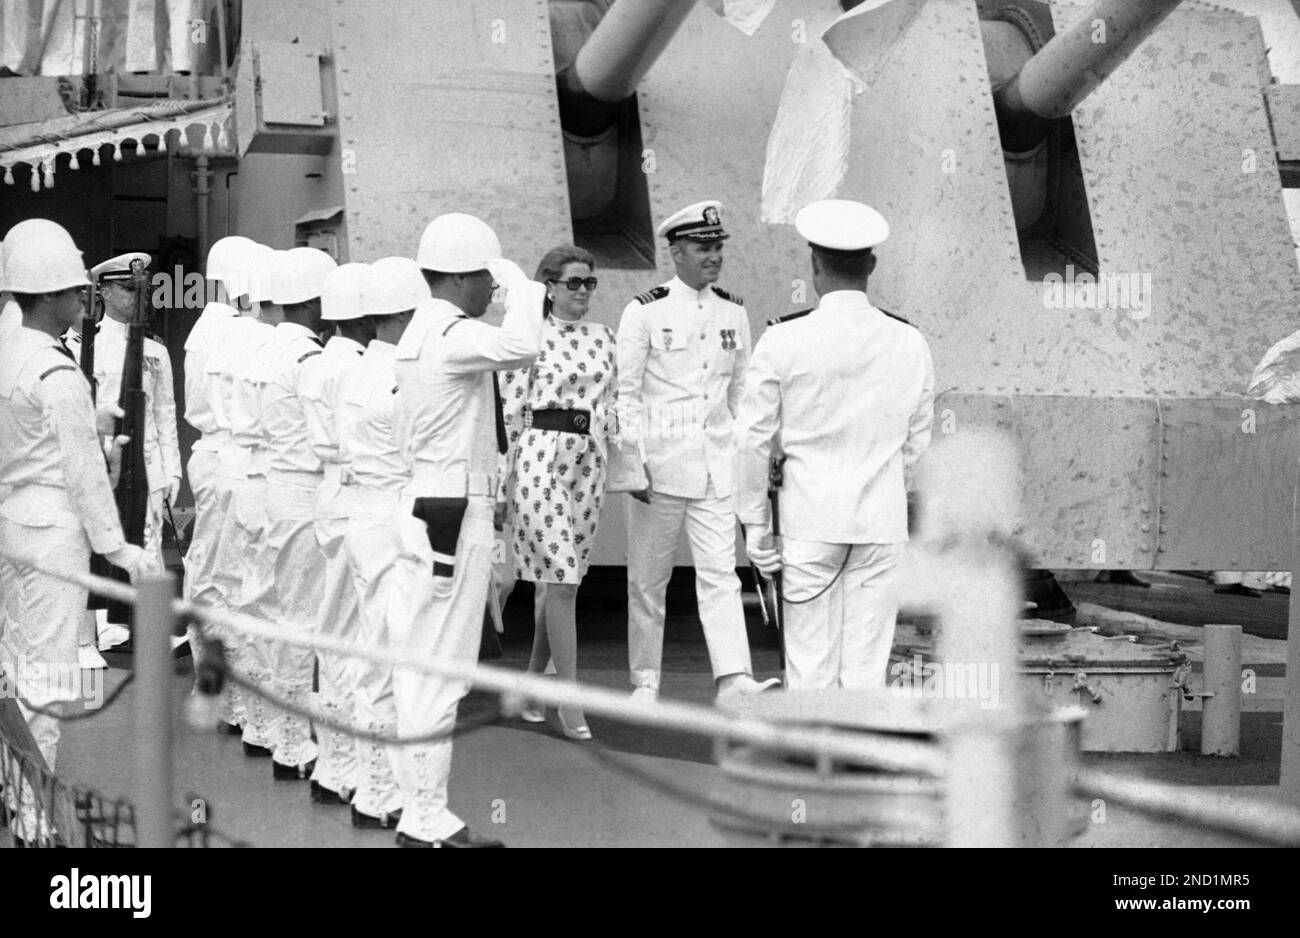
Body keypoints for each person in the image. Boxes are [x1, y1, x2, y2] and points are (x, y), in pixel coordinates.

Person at [733, 199, 934, 690]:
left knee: (809, 663)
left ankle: (810, 758)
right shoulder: (909, 342)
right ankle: (856, 758)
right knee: (866, 667)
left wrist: (756, 529)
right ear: (871, 265)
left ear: (814, 264)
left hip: (808, 522)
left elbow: (751, 441)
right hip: (879, 524)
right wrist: (883, 480)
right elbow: (918, 443)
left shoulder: (783, 339)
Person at [390, 212, 545, 847]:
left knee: (420, 666)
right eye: (485, 276)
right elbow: (526, 345)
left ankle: (419, 811)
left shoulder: (423, 333)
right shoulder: (451, 336)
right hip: (452, 513)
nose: (493, 290)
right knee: (441, 671)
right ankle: (425, 819)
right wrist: (522, 283)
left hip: (431, 505)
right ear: (460, 277)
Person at [0, 220, 151, 839]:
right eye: (73, 290)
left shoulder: (10, 350)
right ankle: (37, 814)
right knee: (52, 681)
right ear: (55, 295)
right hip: (54, 531)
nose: (80, 300)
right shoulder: (58, 374)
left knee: (14, 665)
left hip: (11, 520)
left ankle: (14, 789)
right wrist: (120, 549)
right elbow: (86, 474)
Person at [615, 199, 778, 705]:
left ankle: (734, 678)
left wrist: (749, 455)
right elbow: (626, 392)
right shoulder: (645, 310)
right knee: (648, 580)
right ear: (676, 252)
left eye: (717, 247)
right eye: (702, 247)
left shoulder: (733, 310)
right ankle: (646, 680)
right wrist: (630, 461)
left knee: (720, 575)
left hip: (716, 466)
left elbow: (742, 392)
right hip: (658, 469)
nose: (713, 256)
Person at [499, 245, 644, 739]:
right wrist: (503, 483)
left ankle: (531, 687)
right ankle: (570, 700)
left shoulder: (605, 338)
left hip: (590, 459)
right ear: (550, 287)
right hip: (539, 454)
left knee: (563, 581)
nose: (584, 291)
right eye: (574, 282)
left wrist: (633, 469)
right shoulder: (528, 337)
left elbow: (619, 405)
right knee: (560, 578)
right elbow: (511, 413)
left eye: (590, 282)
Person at [337, 256, 430, 829]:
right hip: (396, 510)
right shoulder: (403, 372)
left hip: (360, 510)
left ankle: (371, 790)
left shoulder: (353, 368)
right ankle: (398, 794)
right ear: (401, 315)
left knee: (372, 652)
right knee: (406, 659)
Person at [256, 246, 338, 781]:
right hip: (304, 488)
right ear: (313, 302)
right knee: (303, 617)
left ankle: (276, 727)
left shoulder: (268, 346)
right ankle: (292, 740)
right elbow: (327, 434)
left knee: (280, 611)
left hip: (273, 484)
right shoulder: (309, 358)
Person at [298, 262, 375, 803]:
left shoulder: (318, 361)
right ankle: (346, 764)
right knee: (357, 635)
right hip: (355, 494)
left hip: (326, 493)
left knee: (332, 629)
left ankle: (331, 759)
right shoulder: (360, 369)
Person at [182, 235, 263, 729]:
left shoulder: (204, 328)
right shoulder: (233, 330)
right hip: (231, 454)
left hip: (214, 454)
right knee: (226, 577)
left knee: (215, 573)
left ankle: (219, 684)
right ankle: (221, 689)